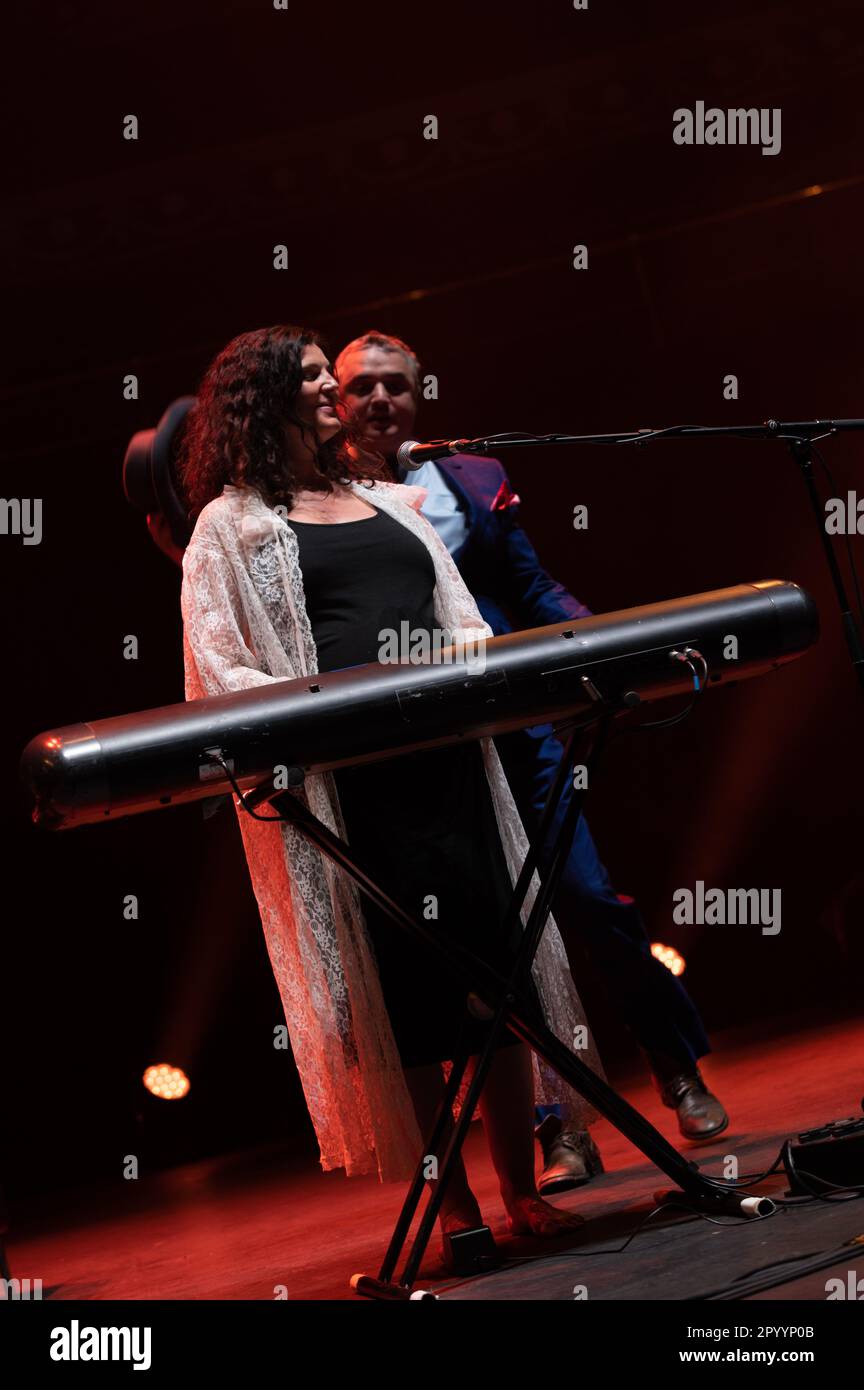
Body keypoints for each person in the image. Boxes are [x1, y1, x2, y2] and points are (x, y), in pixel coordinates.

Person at [178, 324, 609, 1261]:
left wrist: (474, 673)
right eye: (308, 378)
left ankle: (522, 1195)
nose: (329, 390)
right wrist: (327, 710)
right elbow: (218, 666)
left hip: (449, 765)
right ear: (263, 401)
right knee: (405, 1012)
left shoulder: (386, 501)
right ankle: (454, 1214)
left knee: (493, 992)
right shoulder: (233, 523)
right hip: (354, 791)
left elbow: (458, 613)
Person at [334, 330, 731, 1193]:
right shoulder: (323, 498)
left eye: (395, 386)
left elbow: (532, 584)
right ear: (335, 399)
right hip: (426, 748)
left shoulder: (469, 475)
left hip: (517, 721)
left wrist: (620, 645)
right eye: (360, 386)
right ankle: (564, 1131)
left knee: (587, 898)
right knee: (502, 947)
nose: (378, 401)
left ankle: (675, 1065)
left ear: (419, 397)